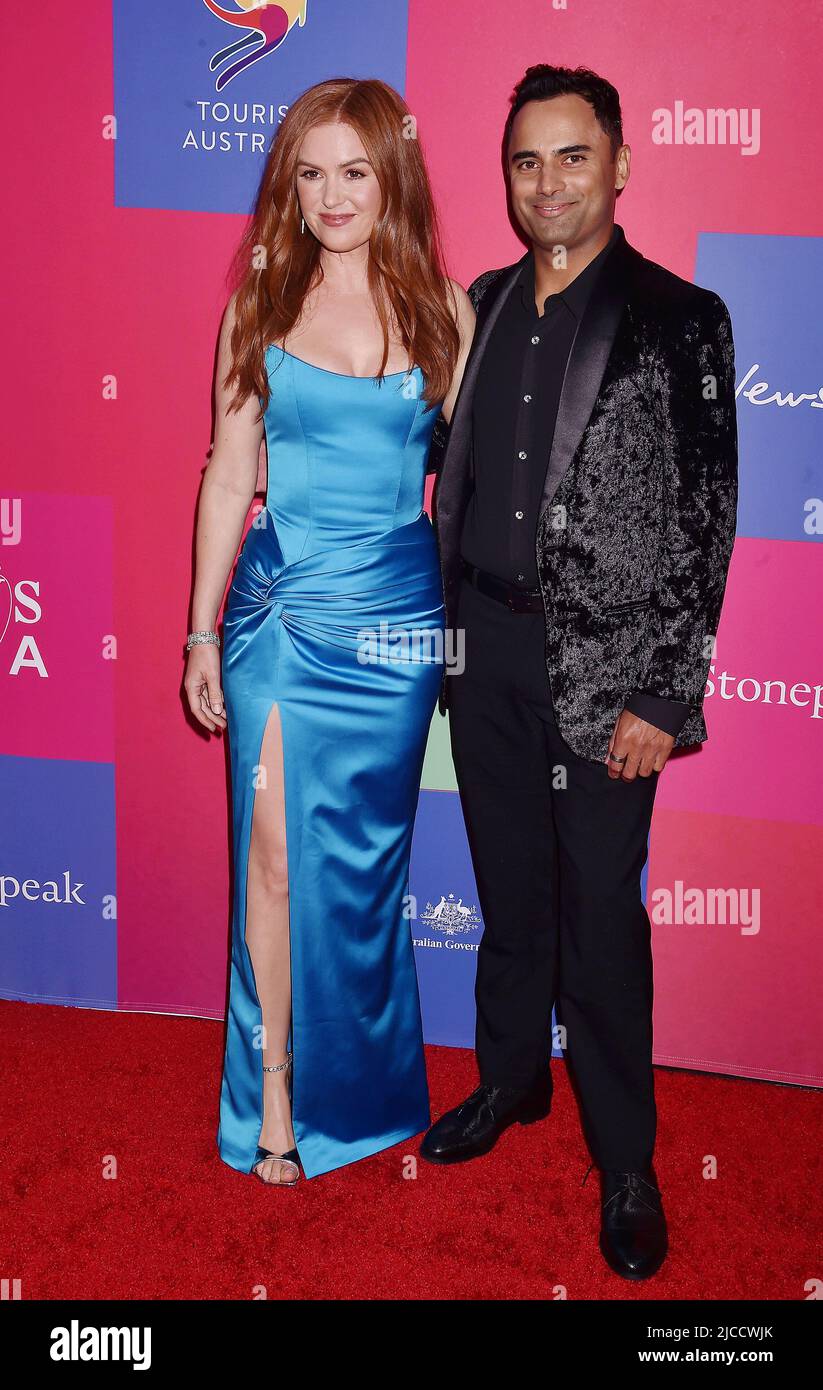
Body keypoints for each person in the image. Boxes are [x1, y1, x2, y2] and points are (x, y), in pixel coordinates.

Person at [422, 64, 738, 1280]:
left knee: (601, 920)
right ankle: (511, 1081)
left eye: (569, 156)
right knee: (508, 884)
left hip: (610, 675)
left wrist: (665, 694)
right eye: (524, 160)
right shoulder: (483, 300)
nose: (545, 180)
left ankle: (626, 1161)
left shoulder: (679, 316)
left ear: (617, 165)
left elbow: (707, 518)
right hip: (482, 646)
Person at [184, 78, 475, 1186]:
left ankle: (361, 1084)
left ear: (389, 174)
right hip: (281, 614)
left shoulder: (449, 308)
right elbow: (226, 473)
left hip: (397, 631)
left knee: (360, 868)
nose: (330, 194)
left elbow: (479, 483)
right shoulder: (258, 304)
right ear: (287, 187)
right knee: (267, 863)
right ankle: (273, 1094)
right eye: (309, 173)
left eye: (353, 170)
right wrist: (199, 633)